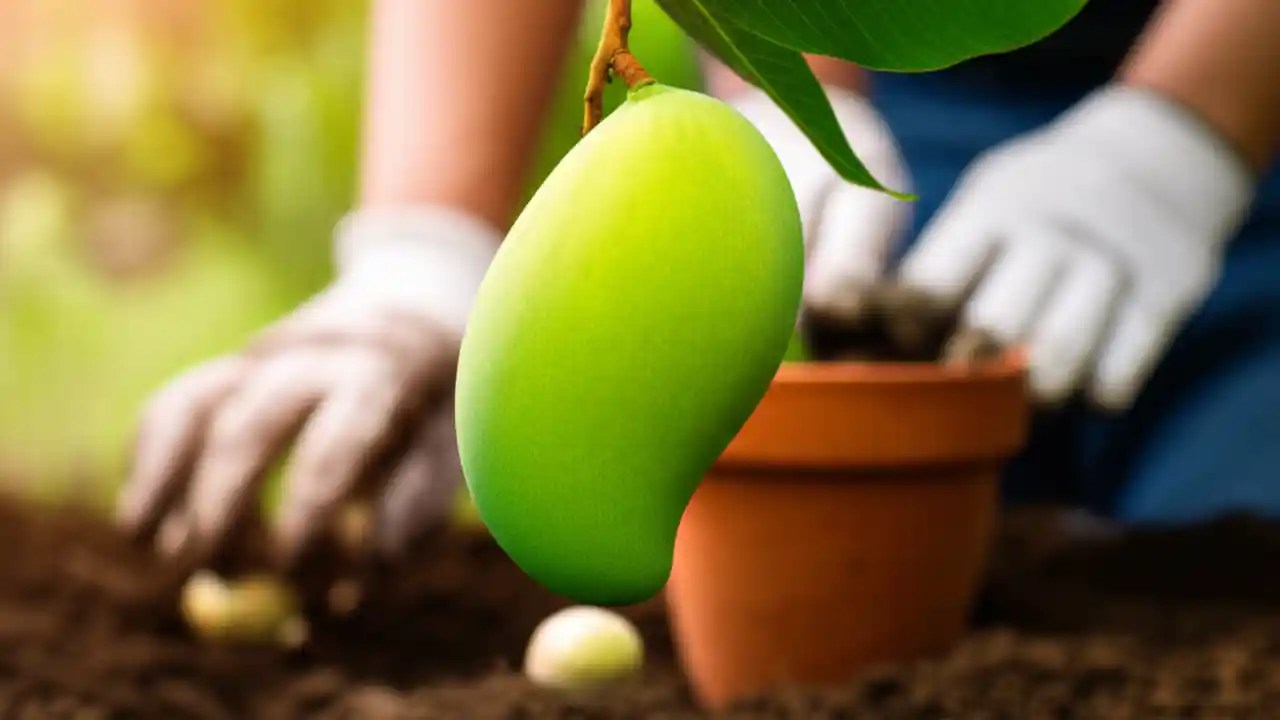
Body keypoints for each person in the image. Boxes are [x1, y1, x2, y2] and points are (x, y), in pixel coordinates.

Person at [117, 0, 1280, 569]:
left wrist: (1185, 133)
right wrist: (422, 250)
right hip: (880, 130)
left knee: (1222, 563)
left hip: (1251, 144)